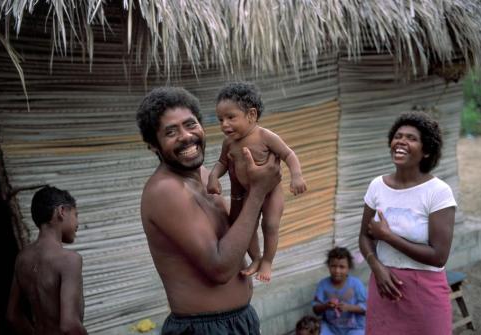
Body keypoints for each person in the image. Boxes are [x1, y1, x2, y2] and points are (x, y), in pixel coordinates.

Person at [136, 87, 281, 334]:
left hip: (238, 320)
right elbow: (220, 268)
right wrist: (257, 192)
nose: (186, 136)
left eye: (190, 125)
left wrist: (240, 183)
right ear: (153, 146)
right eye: (171, 132)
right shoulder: (166, 190)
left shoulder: (204, 176)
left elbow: (234, 230)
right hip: (205, 328)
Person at [358, 112, 456, 334]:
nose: (401, 141)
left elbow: (439, 256)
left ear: (427, 151)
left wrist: (388, 236)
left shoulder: (438, 192)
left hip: (425, 291)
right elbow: (364, 236)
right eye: (398, 136)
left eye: (411, 138)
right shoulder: (377, 186)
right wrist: (376, 266)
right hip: (384, 286)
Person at [207, 82, 307, 282]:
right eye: (220, 120)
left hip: (271, 193)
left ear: (251, 115)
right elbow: (222, 163)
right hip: (247, 193)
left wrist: (297, 175)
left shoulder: (265, 136)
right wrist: (212, 177)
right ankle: (256, 258)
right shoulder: (228, 143)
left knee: (270, 225)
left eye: (230, 118)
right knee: (247, 227)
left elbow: (288, 154)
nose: (224, 125)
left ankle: (268, 261)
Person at [7, 185, 87, 335]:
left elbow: (13, 315)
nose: (78, 223)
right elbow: (69, 325)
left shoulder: (22, 259)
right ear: (62, 211)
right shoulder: (69, 260)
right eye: (76, 215)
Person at [312, 247, 366, 335]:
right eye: (333, 266)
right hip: (331, 328)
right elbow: (315, 310)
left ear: (348, 268)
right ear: (329, 266)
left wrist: (349, 307)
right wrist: (326, 306)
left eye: (342, 267)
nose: (337, 271)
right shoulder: (323, 284)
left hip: (354, 328)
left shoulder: (356, 284)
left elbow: (366, 309)